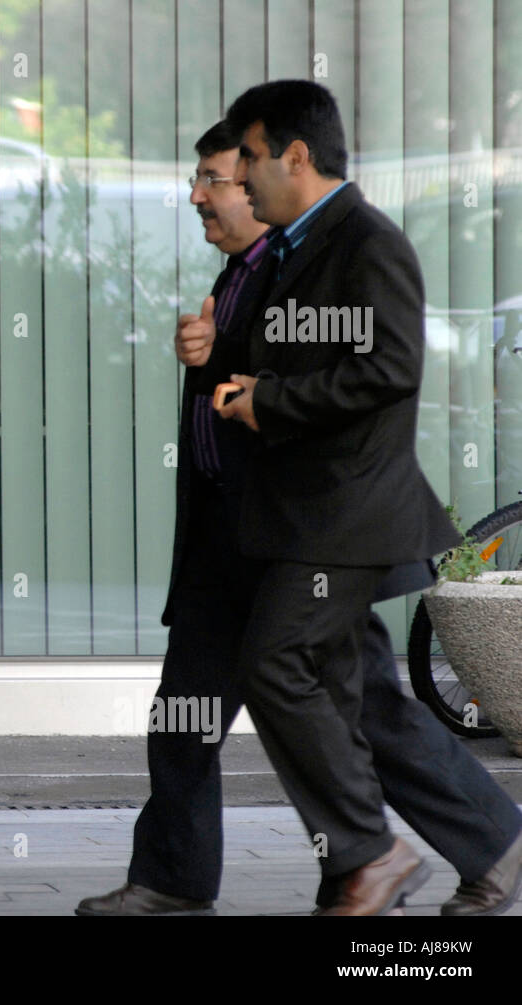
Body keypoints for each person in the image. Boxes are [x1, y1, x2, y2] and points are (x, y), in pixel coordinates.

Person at [76, 118, 522, 917]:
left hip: (306, 544)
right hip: (231, 538)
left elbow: (343, 392)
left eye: (214, 178)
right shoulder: (242, 276)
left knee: (365, 710)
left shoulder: (313, 271)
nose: (198, 194)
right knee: (185, 712)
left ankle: (460, 847)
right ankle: (176, 877)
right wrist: (210, 354)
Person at [213, 79, 519, 915]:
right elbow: (311, 359)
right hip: (310, 511)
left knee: (274, 662)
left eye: (249, 156)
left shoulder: (366, 242)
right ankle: (494, 839)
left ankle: (367, 853)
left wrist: (268, 402)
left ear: (297, 157)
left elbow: (389, 370)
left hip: (344, 513)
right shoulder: (295, 245)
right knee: (363, 697)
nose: (239, 176)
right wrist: (234, 369)